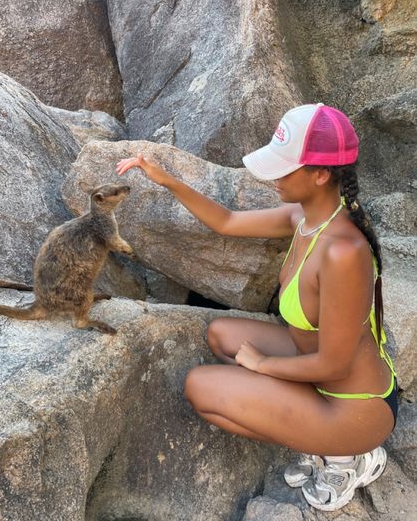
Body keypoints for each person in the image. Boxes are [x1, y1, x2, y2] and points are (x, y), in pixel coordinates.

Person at [116, 103, 398, 512]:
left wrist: (262, 364)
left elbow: (334, 367)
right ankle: (316, 432)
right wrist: (166, 180)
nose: (274, 178)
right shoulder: (305, 217)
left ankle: (347, 457)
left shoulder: (343, 252)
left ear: (320, 175)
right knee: (221, 336)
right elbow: (227, 222)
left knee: (199, 388)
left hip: (355, 406)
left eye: (285, 169)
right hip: (320, 372)